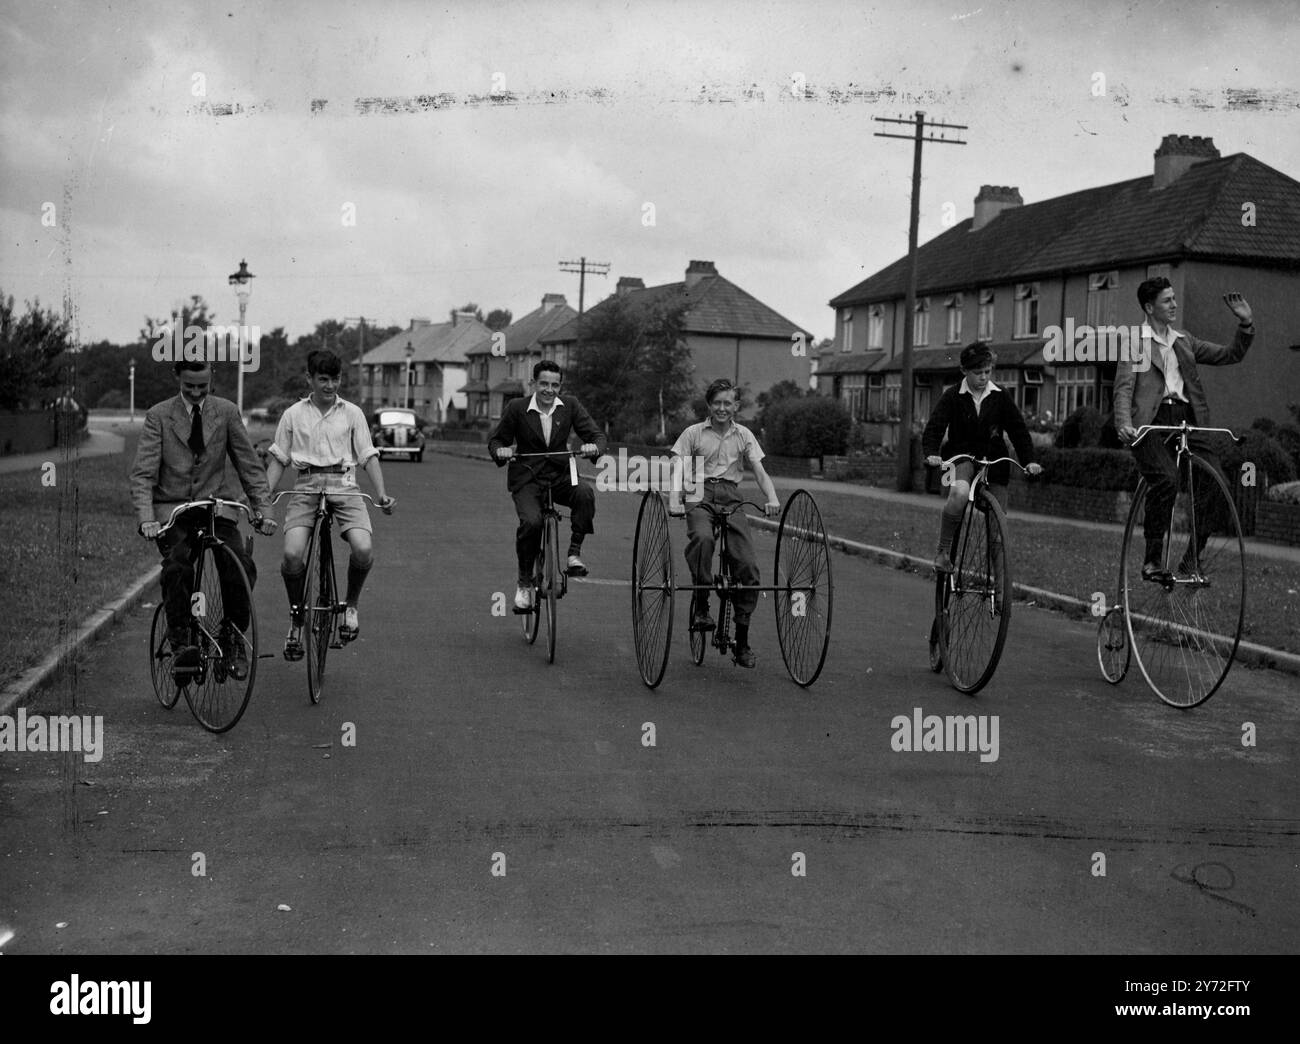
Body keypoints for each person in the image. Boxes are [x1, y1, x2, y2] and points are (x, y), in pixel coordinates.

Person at [130, 359, 276, 680]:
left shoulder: (225, 412)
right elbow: (142, 475)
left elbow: (249, 466)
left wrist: (262, 508)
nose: (196, 393)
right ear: (177, 379)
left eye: (203, 386)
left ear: (212, 378)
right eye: (189, 387)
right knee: (178, 565)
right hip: (174, 511)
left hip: (214, 507)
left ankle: (232, 635)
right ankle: (181, 642)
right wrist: (146, 519)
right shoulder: (159, 416)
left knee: (239, 564)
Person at [1114, 279, 1254, 577]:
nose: (1175, 305)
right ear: (1150, 307)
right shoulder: (1134, 341)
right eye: (1167, 301)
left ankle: (1192, 557)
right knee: (1166, 478)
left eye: (1174, 299)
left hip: (1186, 421)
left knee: (1218, 484)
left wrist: (1245, 324)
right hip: (1151, 424)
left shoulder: (1184, 340)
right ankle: (1152, 561)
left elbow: (1230, 354)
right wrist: (1124, 423)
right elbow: (1124, 388)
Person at [264, 350, 395, 660]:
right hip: (307, 487)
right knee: (292, 554)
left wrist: (382, 494)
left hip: (345, 485)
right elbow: (279, 459)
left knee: (363, 548)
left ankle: (350, 606)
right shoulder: (293, 414)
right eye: (323, 379)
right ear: (309, 379)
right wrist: (264, 495)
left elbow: (367, 455)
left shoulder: (352, 413)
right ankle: (297, 619)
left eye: (335, 379)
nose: (329, 385)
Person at [667, 378, 780, 669]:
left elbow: (758, 469)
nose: (722, 408)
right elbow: (679, 465)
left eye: (727, 403)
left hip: (732, 496)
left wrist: (772, 497)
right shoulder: (693, 433)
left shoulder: (744, 435)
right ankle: (701, 605)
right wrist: (675, 499)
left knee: (748, 566)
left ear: (736, 406)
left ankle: (741, 641)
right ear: (709, 405)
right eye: (717, 403)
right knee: (703, 539)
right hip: (699, 492)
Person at [488, 360, 605, 611]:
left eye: (554, 385)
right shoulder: (517, 408)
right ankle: (524, 584)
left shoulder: (570, 405)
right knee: (532, 522)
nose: (549, 390)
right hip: (528, 478)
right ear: (534, 384)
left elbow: (598, 436)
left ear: (560, 386)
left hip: (560, 475)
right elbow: (497, 439)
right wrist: (501, 451)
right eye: (543, 384)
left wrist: (592, 446)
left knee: (585, 493)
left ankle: (574, 554)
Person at [923, 342, 1041, 581]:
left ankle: (1000, 593)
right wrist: (931, 452)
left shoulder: (1000, 396)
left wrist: (1029, 461)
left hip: (994, 462)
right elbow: (935, 427)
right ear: (964, 370)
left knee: (998, 532)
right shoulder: (953, 396)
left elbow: (1019, 431)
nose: (984, 377)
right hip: (963, 457)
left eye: (987, 372)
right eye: (978, 373)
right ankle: (944, 552)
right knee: (959, 493)